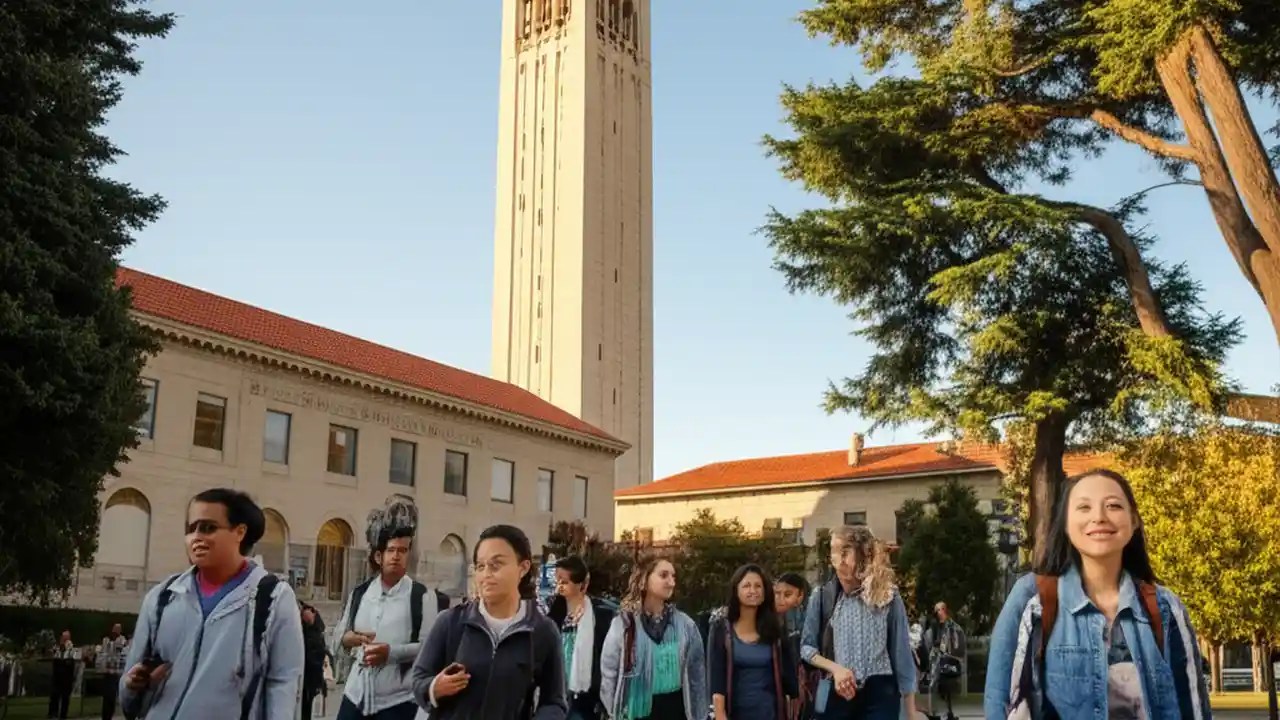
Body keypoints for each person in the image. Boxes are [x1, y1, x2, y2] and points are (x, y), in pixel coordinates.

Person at [984, 469, 1212, 720]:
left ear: (1134, 520)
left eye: (1113, 505)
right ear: (1066, 525)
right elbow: (1000, 703)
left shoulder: (1165, 607)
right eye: (1084, 507)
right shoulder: (1033, 599)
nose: (1099, 517)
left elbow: (1193, 708)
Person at [118, 488, 304, 720]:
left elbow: (283, 681)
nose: (196, 537)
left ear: (240, 532)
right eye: (191, 529)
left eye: (208, 528)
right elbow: (128, 687)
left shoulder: (272, 598)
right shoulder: (163, 597)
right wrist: (133, 684)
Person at [411, 524, 566, 720]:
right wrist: (435, 688)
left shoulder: (542, 631)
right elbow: (418, 680)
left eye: (496, 565)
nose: (486, 575)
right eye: (480, 566)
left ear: (523, 567)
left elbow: (554, 702)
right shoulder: (450, 623)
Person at [332, 500, 448, 720]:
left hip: (397, 702)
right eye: (391, 550)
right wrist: (347, 639)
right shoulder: (360, 593)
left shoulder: (422, 596)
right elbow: (336, 637)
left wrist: (390, 653)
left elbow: (430, 650)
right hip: (355, 696)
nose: (396, 556)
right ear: (379, 556)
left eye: (402, 551)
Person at [800, 525, 917, 720]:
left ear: (863, 555)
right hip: (838, 691)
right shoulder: (822, 597)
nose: (838, 560)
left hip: (880, 691)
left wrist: (911, 711)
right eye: (834, 553)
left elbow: (901, 652)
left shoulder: (888, 595)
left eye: (845, 552)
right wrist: (835, 669)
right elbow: (806, 647)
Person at [599, 557, 707, 720]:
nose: (671, 582)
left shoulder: (685, 625)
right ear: (644, 579)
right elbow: (609, 673)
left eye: (673, 576)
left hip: (676, 710)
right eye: (664, 575)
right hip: (635, 711)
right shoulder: (624, 625)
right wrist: (614, 711)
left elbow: (696, 677)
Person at [708, 564, 798, 720]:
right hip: (735, 713)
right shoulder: (721, 629)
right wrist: (720, 715)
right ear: (736, 591)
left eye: (758, 586)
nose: (753, 591)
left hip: (770, 713)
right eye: (746, 586)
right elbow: (717, 682)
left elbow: (789, 677)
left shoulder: (776, 629)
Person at [547, 556, 616, 720]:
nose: (559, 587)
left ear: (581, 585)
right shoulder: (554, 612)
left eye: (564, 582)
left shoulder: (601, 616)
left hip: (586, 697)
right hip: (557, 693)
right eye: (557, 581)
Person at [923, 602, 965, 720]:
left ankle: (943, 713)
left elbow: (957, 644)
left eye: (940, 610)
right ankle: (938, 713)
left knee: (942, 686)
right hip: (937, 660)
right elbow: (931, 641)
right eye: (936, 610)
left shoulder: (952, 626)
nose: (938, 613)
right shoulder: (935, 626)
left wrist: (952, 655)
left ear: (944, 610)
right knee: (936, 686)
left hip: (947, 660)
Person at [299, 602, 329, 720]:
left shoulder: (314, 630)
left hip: (308, 676)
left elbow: (317, 652)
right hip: (306, 674)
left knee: (305, 708)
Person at [98, 623, 129, 720]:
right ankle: (105, 716)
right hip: (107, 672)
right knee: (106, 697)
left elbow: (124, 653)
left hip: (116, 673)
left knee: (111, 697)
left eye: (117, 629)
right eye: (114, 629)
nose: (115, 631)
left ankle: (109, 715)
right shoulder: (106, 640)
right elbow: (102, 654)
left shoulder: (122, 641)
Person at [48, 630, 78, 719]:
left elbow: (73, 661)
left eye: (66, 638)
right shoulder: (57, 648)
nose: (65, 639)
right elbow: (54, 657)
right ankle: (53, 713)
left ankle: (63, 716)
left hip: (67, 678)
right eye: (63, 637)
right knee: (54, 696)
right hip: (57, 677)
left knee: (65, 698)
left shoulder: (71, 649)